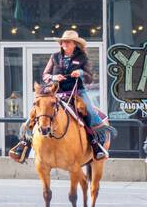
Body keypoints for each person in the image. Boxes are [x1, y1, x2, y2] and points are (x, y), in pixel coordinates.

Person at [10, 29, 106, 163]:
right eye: (63, 42)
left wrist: (81, 73)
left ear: (74, 44)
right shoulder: (54, 57)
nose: (64, 44)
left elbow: (90, 78)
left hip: (77, 92)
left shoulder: (82, 58)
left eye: (67, 42)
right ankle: (24, 144)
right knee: (35, 114)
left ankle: (96, 145)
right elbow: (45, 75)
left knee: (89, 113)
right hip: (56, 93)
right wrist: (54, 77)